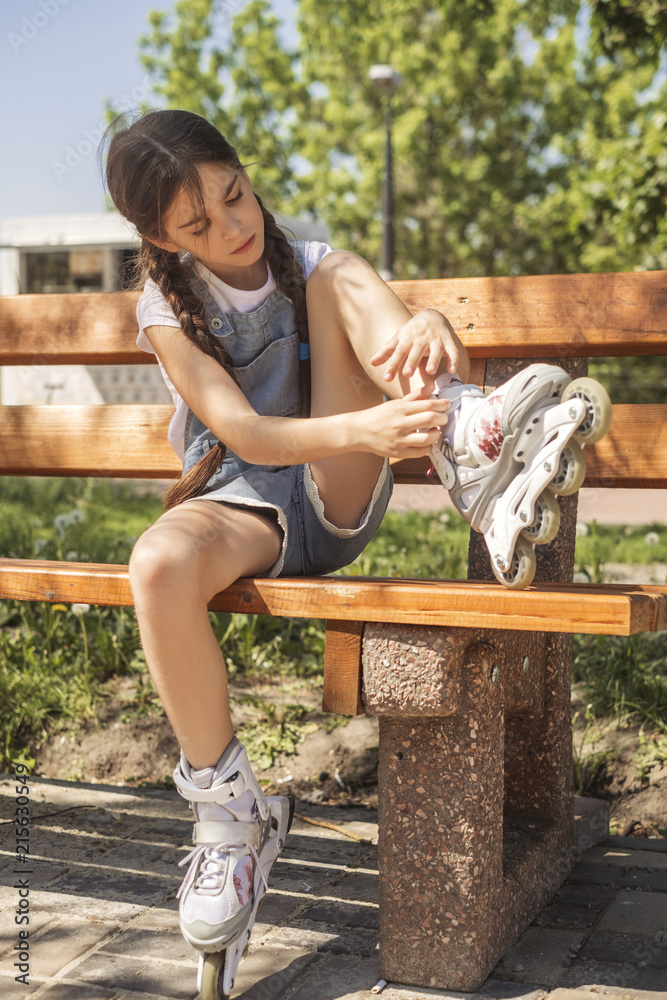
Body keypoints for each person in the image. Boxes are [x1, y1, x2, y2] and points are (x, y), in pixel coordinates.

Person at [103, 108, 610, 990]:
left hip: (332, 493)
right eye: (199, 224)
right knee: (156, 563)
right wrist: (366, 429)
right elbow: (243, 432)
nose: (232, 226)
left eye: (235, 194)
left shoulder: (308, 264)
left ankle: (467, 436)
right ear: (159, 239)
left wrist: (430, 328)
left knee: (334, 272)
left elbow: (399, 338)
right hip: (242, 499)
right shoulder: (163, 309)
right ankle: (230, 819)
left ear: (243, 172)